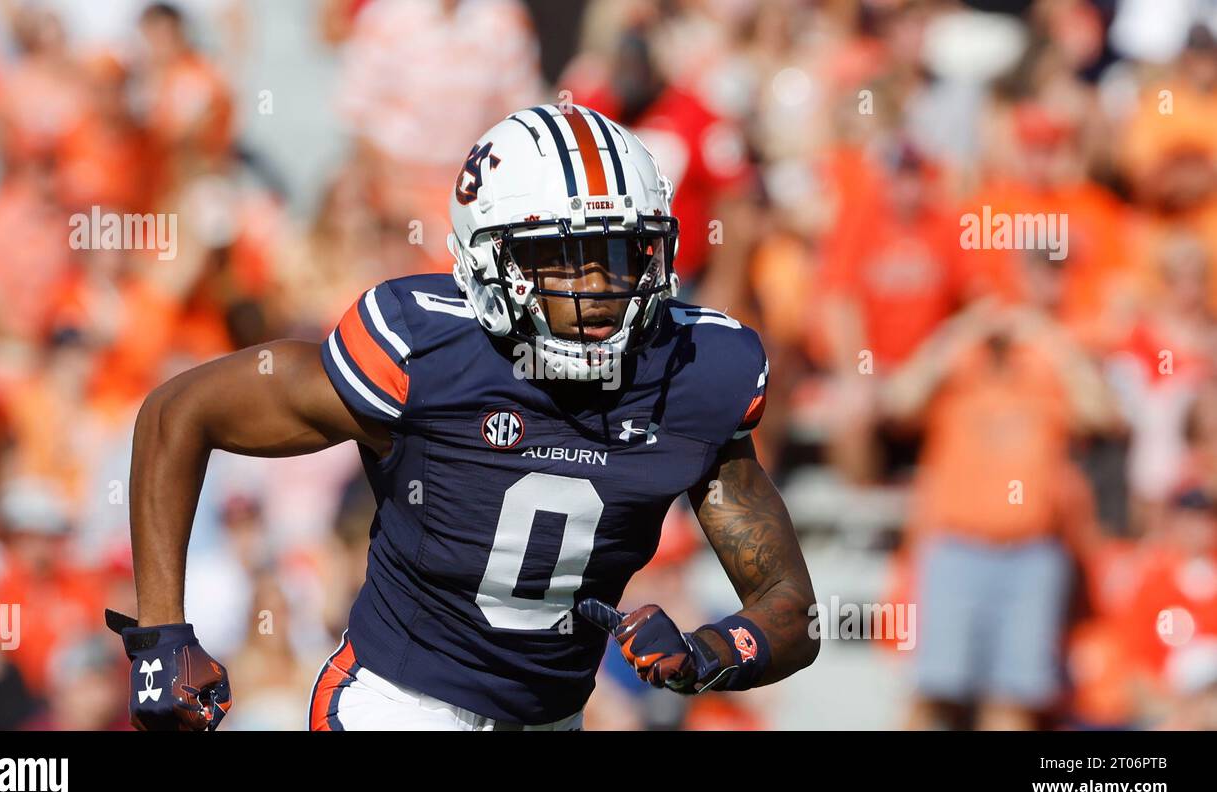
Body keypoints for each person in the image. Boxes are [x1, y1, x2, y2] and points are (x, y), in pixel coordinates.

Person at [110, 104, 819, 731]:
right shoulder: (427, 353)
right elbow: (181, 411)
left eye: (620, 253)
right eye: (566, 259)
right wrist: (160, 632)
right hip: (396, 705)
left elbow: (790, 605)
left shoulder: (697, 374)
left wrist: (709, 651)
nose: (601, 288)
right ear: (488, 262)